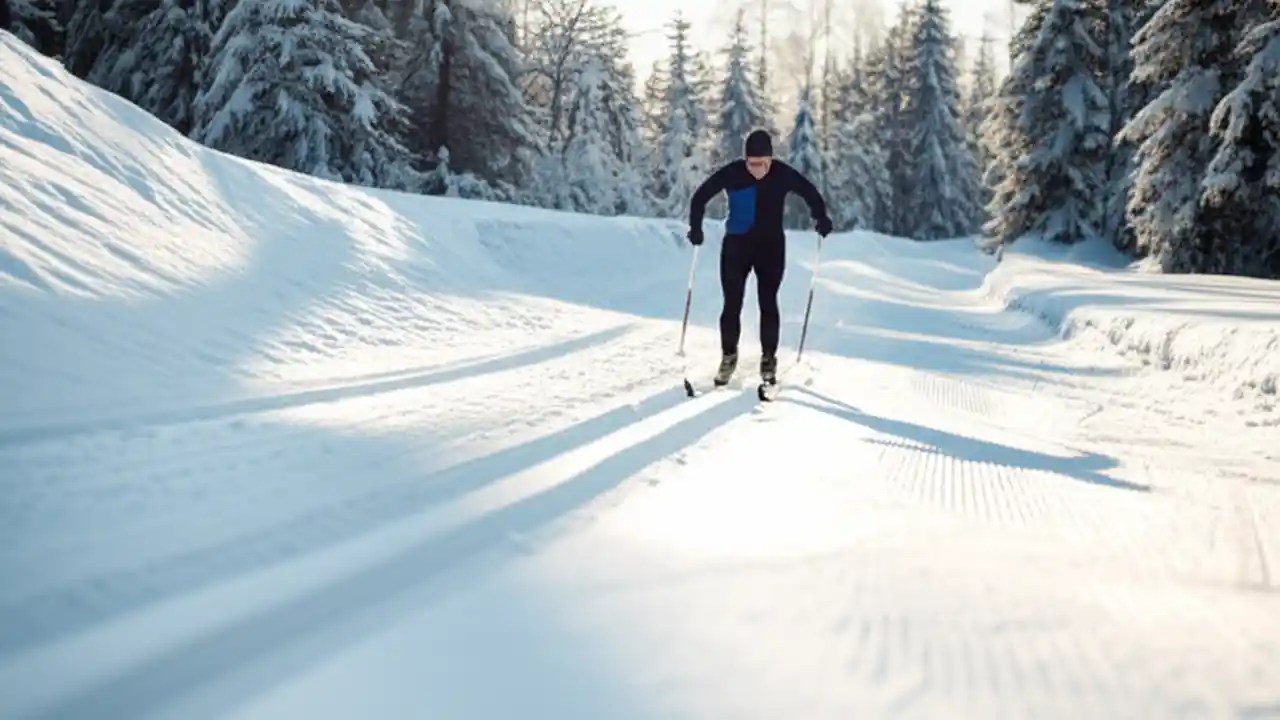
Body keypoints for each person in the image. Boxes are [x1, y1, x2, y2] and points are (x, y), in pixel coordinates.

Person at [687, 128, 833, 387]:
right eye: (751, 164)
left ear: (770, 159)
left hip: (771, 248)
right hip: (736, 247)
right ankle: (728, 357)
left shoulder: (782, 174)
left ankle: (768, 359)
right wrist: (696, 228)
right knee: (731, 304)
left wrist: (820, 218)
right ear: (745, 160)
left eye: (762, 164)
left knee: (768, 302)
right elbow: (700, 197)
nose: (756, 170)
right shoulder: (733, 173)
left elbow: (810, 193)